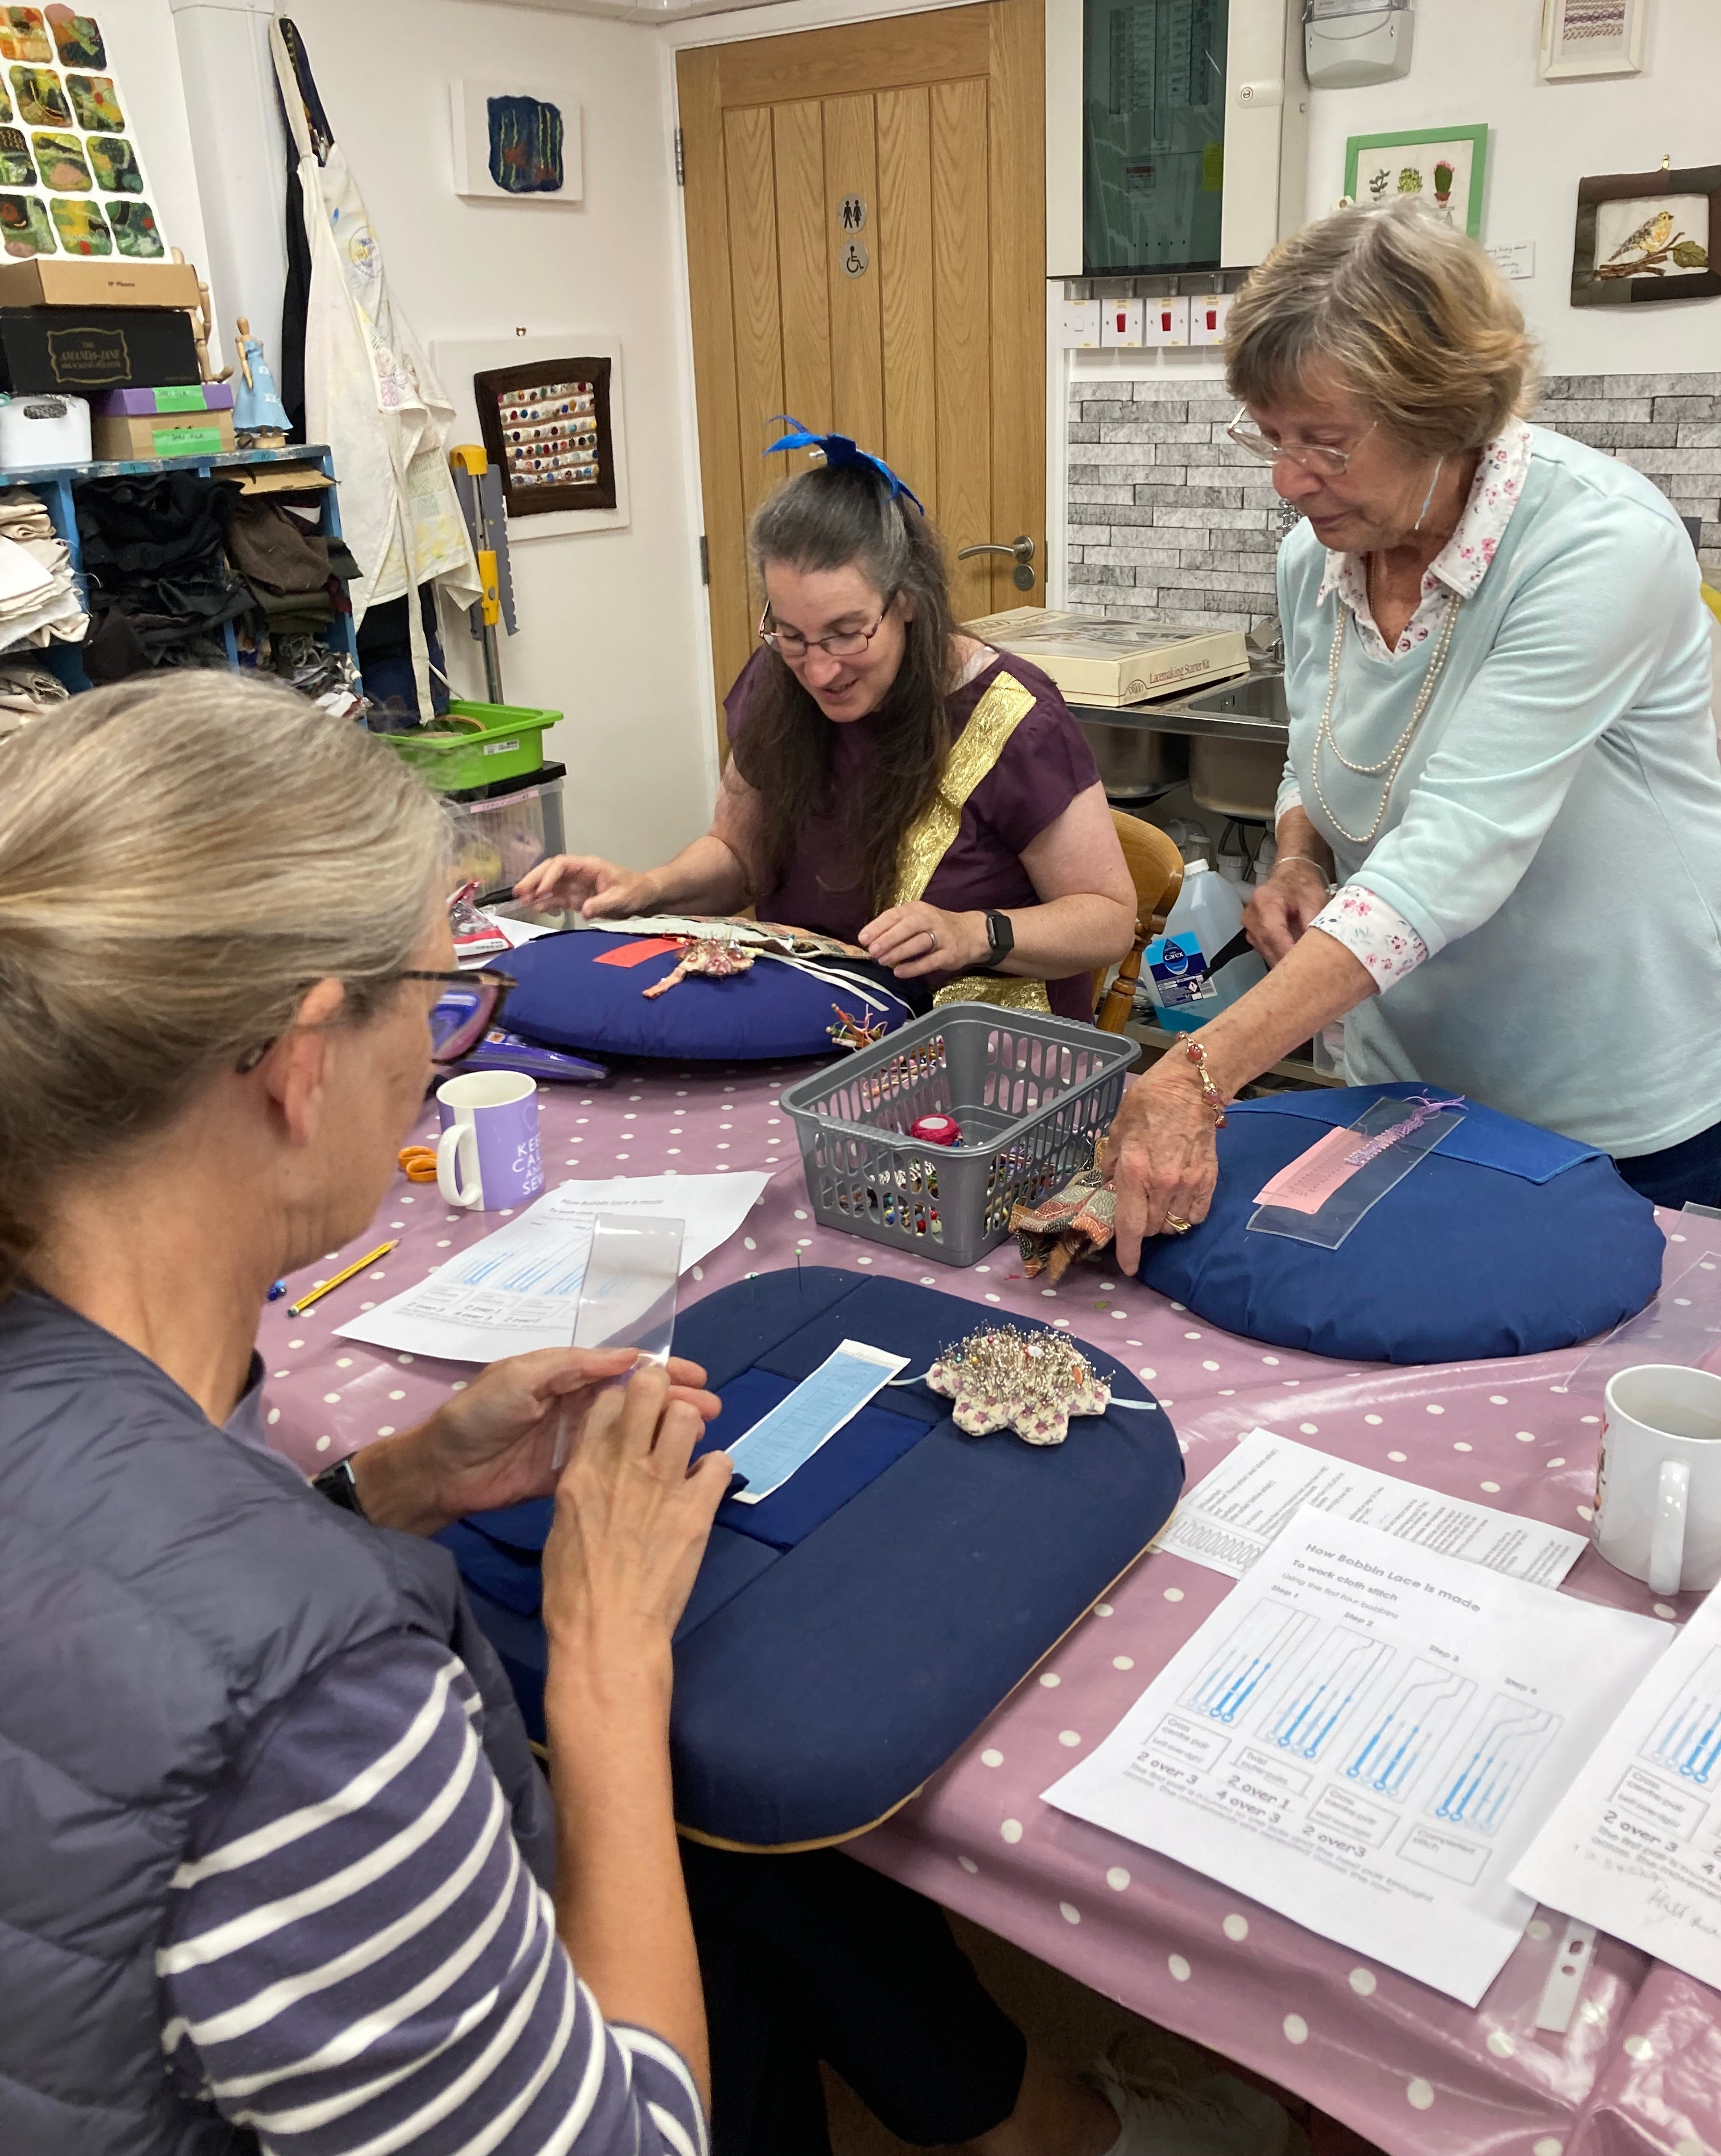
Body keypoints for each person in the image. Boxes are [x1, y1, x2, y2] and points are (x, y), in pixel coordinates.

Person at [0, 673, 1294, 2156]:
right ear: (299, 1066)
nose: (449, 1050)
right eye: (447, 999)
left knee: (749, 1872)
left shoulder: (74, 1368)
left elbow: (135, 1620)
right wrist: (610, 1662)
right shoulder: (327, 1699)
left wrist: (394, 1487)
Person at [1108, 199, 1721, 1268]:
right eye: (1270, 434)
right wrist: (1297, 853)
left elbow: (1455, 847)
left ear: (1444, 414)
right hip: (1407, 1074)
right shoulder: (1318, 554)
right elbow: (1317, 740)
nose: (1285, 480)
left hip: (1611, 1090)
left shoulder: (1598, 543)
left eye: (1324, 445)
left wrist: (1196, 1070)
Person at [517, 436, 1136, 1023]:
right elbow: (740, 858)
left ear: (909, 601)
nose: (819, 669)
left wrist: (973, 933)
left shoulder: (1013, 717)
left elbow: (1108, 919)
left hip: (982, 1060)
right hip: (813, 1029)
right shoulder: (777, 684)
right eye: (791, 634)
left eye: (847, 632)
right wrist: (648, 888)